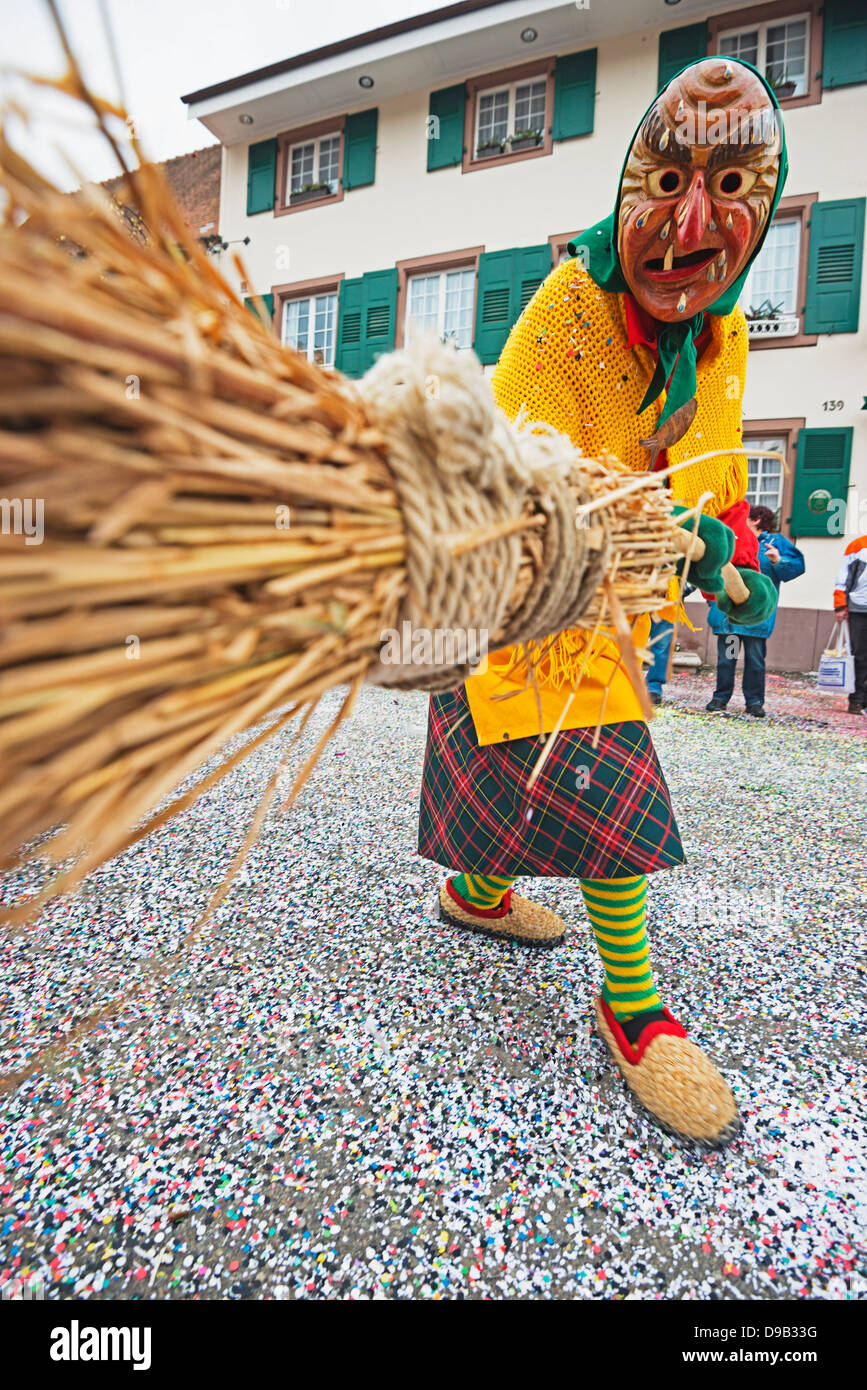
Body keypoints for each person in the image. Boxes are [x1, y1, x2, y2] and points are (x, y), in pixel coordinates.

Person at [417, 57, 785, 1146]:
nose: (694, 217)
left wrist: (719, 546)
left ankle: (476, 891)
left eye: (732, 185)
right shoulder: (575, 302)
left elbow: (701, 474)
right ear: (632, 180)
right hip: (526, 568)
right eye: (668, 181)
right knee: (591, 767)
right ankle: (634, 1012)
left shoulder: (722, 336)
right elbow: (510, 444)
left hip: (612, 581)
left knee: (514, 765)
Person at [705, 504, 805, 716]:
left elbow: (796, 568)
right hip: (729, 619)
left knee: (755, 661)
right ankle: (721, 697)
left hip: (755, 621)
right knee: (727, 659)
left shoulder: (775, 543)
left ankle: (754, 702)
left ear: (756, 519)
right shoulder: (732, 538)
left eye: (745, 517)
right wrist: (712, 600)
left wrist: (779, 561)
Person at [833, 533, 867, 714]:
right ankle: (856, 700)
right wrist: (840, 605)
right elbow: (843, 577)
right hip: (859, 608)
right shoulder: (858, 546)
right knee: (859, 656)